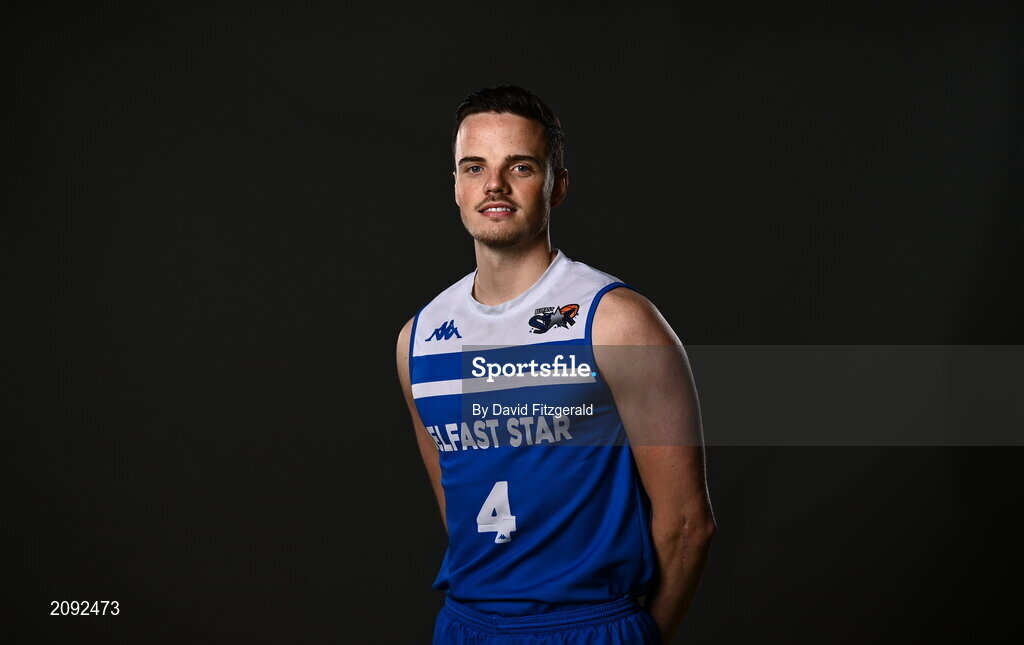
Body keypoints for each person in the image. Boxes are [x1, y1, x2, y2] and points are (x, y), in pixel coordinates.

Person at [396, 85, 715, 644]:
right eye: (474, 167)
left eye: (519, 166)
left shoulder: (616, 322)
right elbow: (461, 518)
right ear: (455, 186)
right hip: (465, 627)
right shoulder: (418, 340)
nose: (493, 185)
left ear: (556, 186)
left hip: (589, 627)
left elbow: (688, 526)